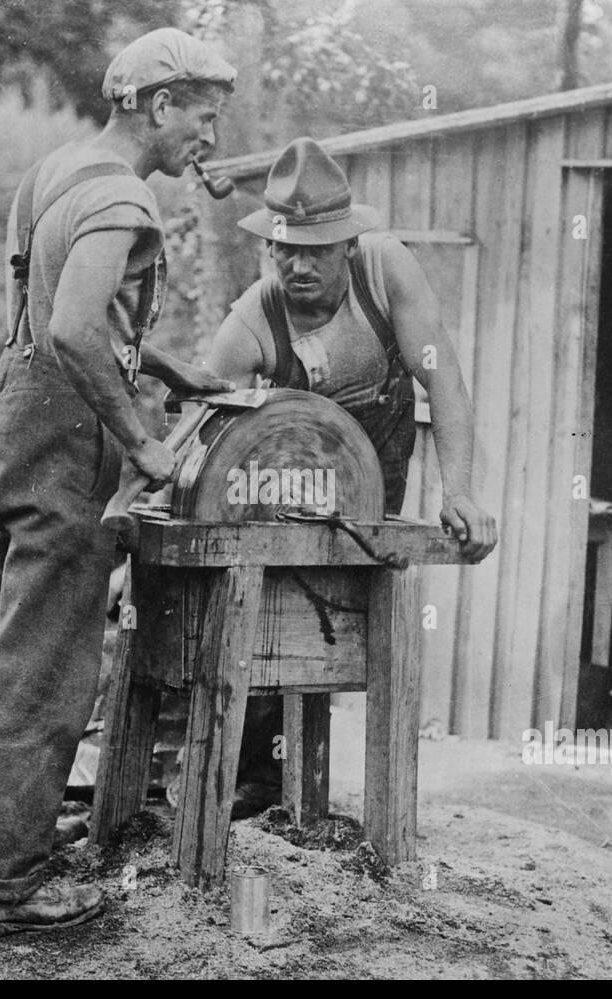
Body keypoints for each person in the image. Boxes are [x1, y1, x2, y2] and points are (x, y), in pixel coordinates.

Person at [0, 28, 235, 938]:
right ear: (158, 105)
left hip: (7, 421)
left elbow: (59, 316)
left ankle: (13, 850)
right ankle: (4, 891)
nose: (207, 135)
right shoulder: (124, 200)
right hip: (60, 444)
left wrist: (171, 367)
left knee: (24, 652)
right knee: (48, 671)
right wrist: (145, 440)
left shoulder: (61, 171)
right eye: (201, 113)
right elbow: (77, 331)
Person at [204, 137, 497, 816]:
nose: (298, 265)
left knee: (347, 594)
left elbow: (442, 378)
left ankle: (326, 781)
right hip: (285, 461)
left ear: (346, 245)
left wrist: (459, 492)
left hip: (380, 439)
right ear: (269, 246)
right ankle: (262, 776)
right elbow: (200, 438)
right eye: (286, 250)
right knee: (275, 590)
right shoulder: (249, 324)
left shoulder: (387, 266)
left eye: (315, 250)